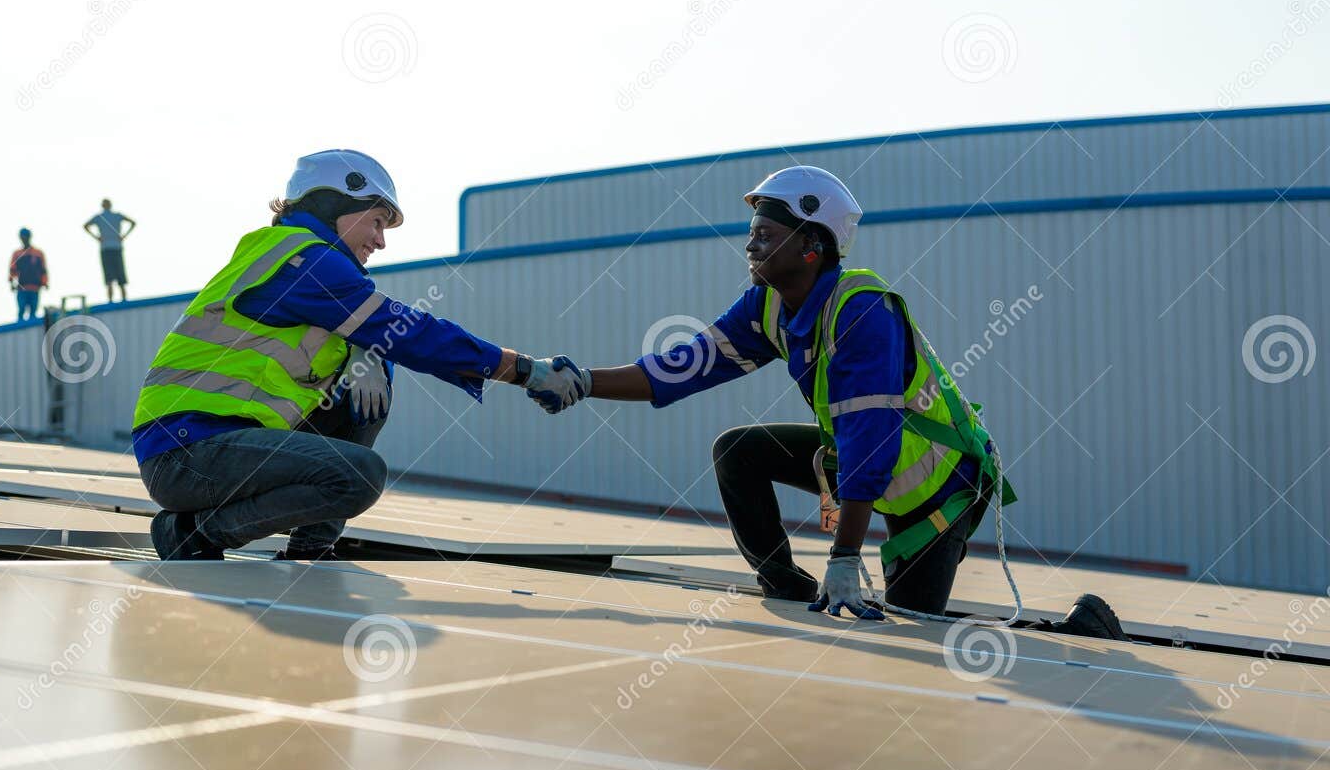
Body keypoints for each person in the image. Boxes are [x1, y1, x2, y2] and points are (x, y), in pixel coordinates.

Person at [532, 165, 1019, 621]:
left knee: (912, 626)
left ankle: (1089, 623)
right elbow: (678, 370)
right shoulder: (767, 306)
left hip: (938, 490)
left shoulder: (862, 310)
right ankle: (787, 586)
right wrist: (585, 381)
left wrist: (845, 557)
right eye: (751, 236)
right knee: (738, 452)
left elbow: (871, 440)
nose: (750, 247)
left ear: (811, 246)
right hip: (864, 463)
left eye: (764, 236)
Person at [131, 149, 588, 561]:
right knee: (360, 474)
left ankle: (310, 549)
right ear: (336, 206)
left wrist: (363, 354)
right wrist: (526, 370)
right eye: (376, 222)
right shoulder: (302, 260)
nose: (381, 242)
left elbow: (384, 336)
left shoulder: (304, 263)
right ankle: (193, 534)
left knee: (369, 384)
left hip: (225, 444)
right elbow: (414, 333)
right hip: (186, 451)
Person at [84, 198, 135, 303]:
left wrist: (97, 237)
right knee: (119, 275)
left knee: (110, 277)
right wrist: (124, 236)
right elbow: (133, 223)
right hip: (115, 247)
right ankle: (122, 299)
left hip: (108, 248)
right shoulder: (115, 216)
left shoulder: (100, 217)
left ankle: (113, 300)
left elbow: (85, 226)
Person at [8, 228, 48, 321]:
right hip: (22, 288)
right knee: (21, 311)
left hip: (35, 288)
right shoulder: (17, 254)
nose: (24, 239)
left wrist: (45, 282)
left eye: (26, 236)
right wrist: (11, 283)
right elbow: (12, 270)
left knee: (33, 313)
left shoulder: (38, 253)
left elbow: (43, 270)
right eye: (22, 237)